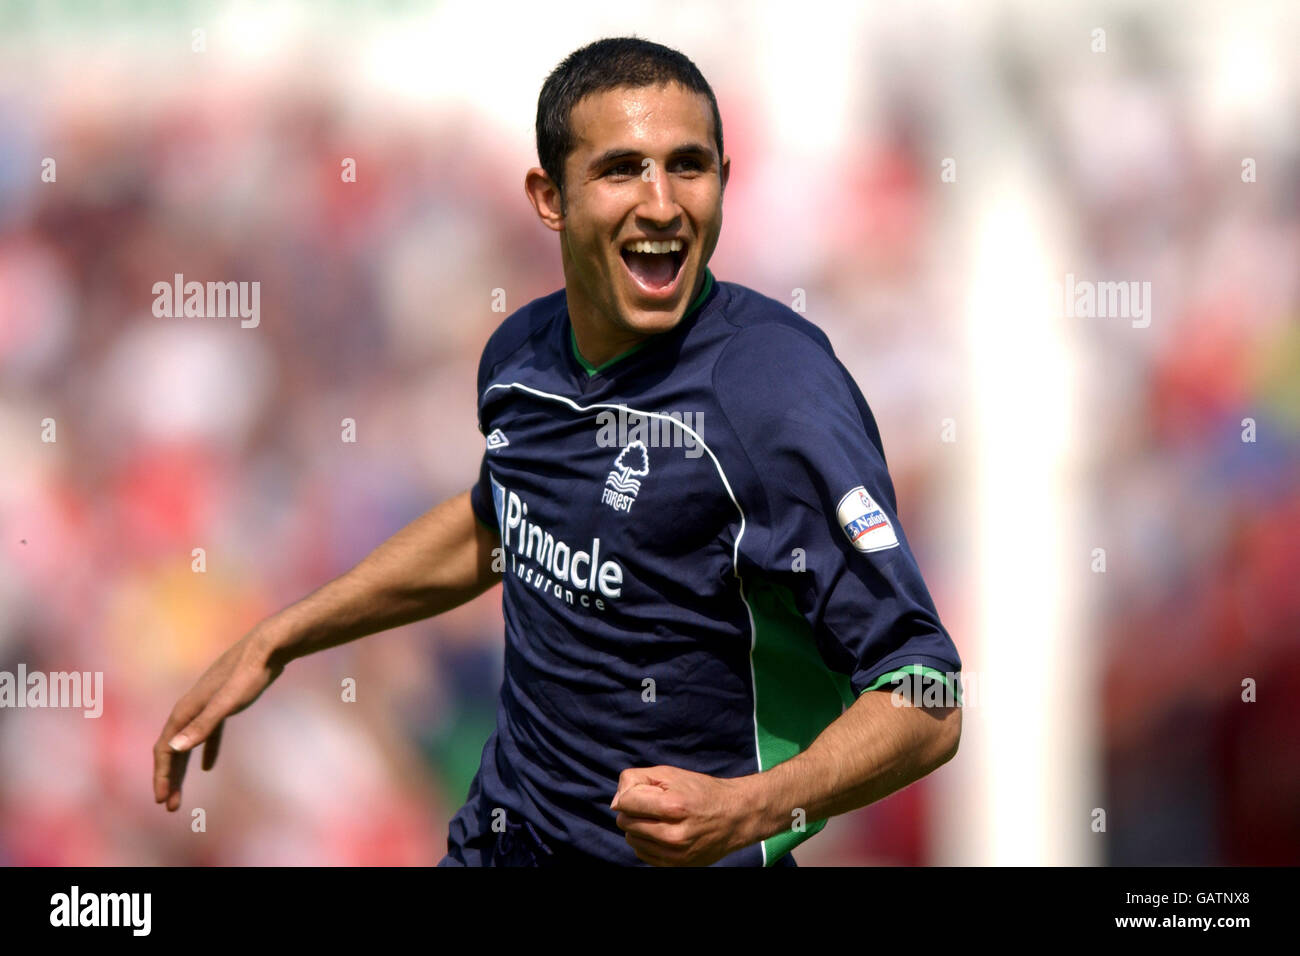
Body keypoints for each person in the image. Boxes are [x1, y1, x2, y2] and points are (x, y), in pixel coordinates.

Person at [154, 36, 962, 868]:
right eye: (621, 170)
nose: (661, 203)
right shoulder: (520, 360)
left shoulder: (774, 396)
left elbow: (927, 694)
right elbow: (497, 523)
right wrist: (278, 639)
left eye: (689, 166)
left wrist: (746, 808)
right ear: (550, 197)